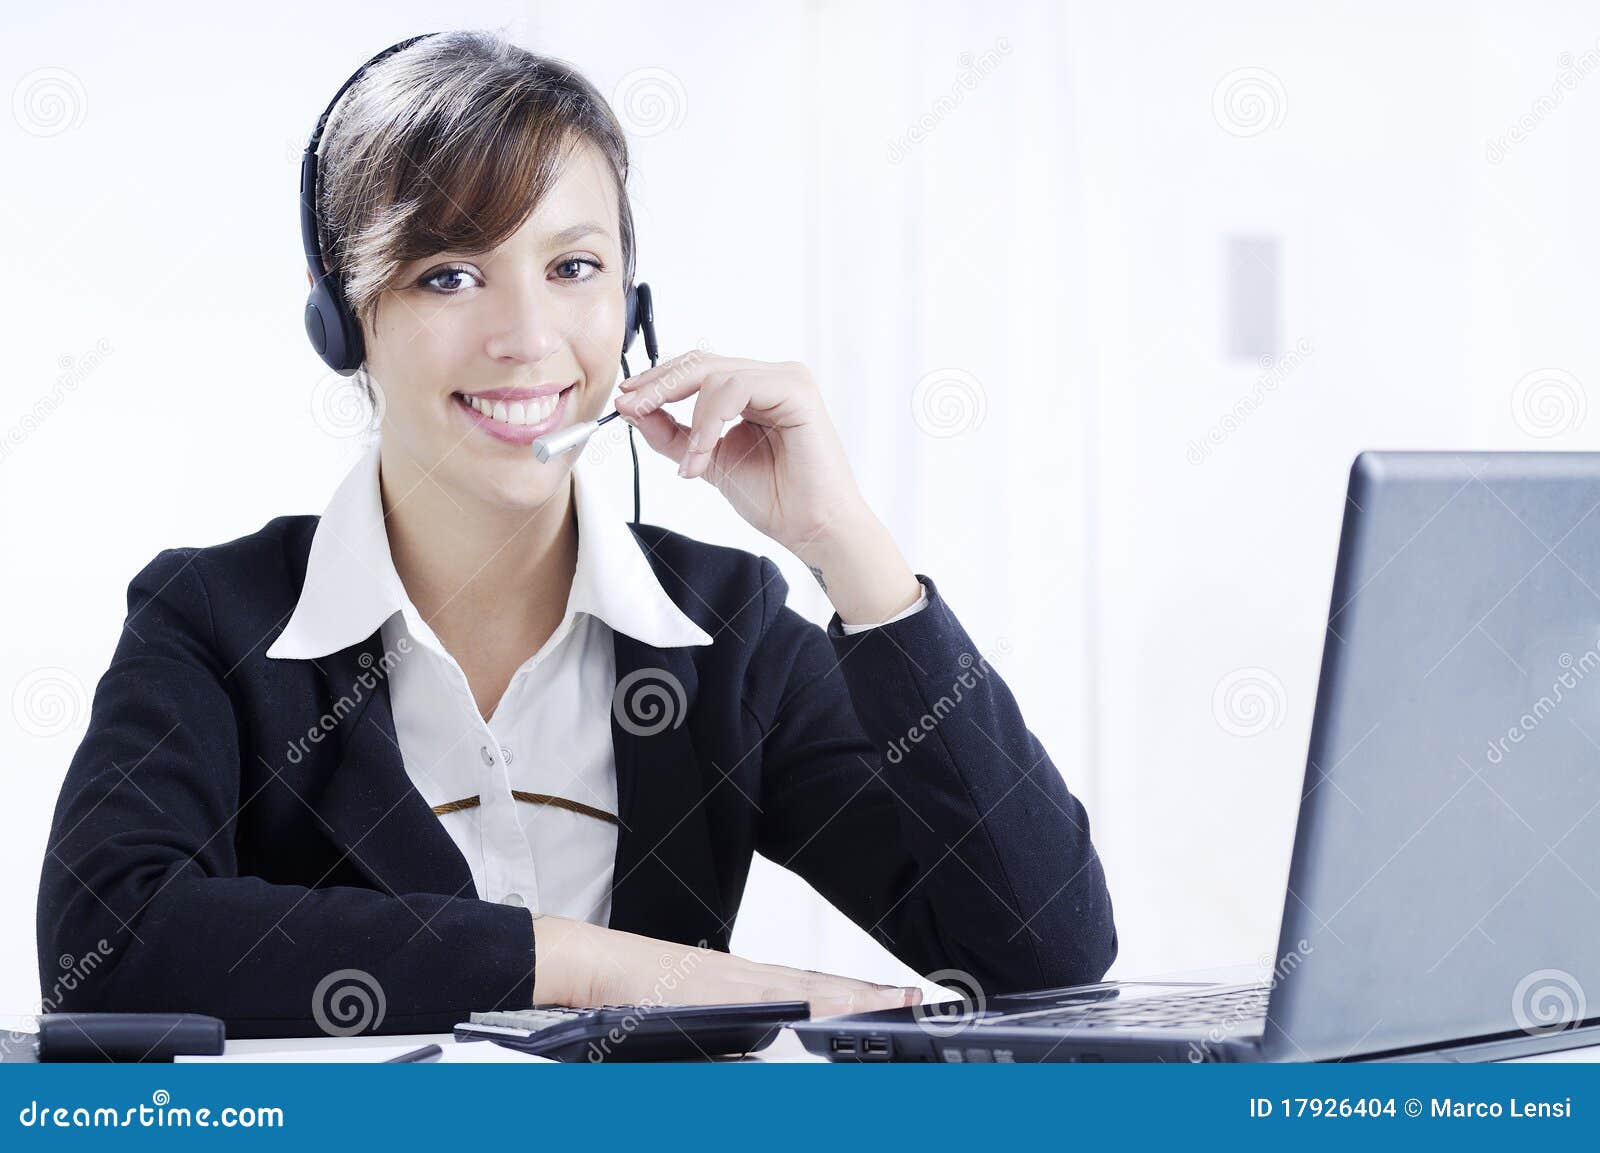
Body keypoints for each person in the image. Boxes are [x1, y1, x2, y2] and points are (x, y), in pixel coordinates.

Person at [36, 29, 1115, 1038]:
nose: (526, 337)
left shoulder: (723, 634)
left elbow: (1039, 953)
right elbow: (108, 943)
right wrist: (592, 969)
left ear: (632, 306)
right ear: (341, 321)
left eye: (571, 268)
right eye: (448, 274)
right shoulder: (218, 621)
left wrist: (848, 547)